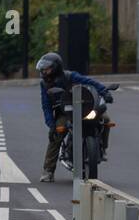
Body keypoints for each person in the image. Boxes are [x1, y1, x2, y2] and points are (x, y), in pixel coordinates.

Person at [36, 52, 111, 182]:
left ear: (56, 68)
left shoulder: (70, 76)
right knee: (57, 133)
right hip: (65, 112)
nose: (44, 72)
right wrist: (51, 124)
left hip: (84, 108)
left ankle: (103, 148)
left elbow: (90, 82)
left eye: (46, 69)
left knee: (106, 119)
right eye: (42, 69)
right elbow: (46, 105)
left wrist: (105, 92)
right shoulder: (45, 84)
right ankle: (48, 170)